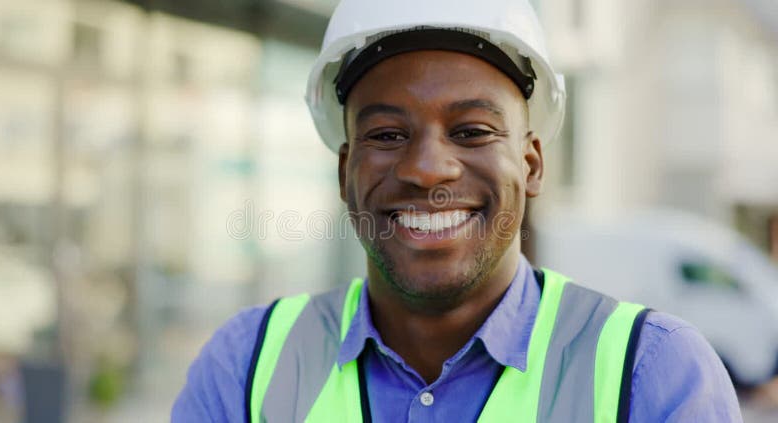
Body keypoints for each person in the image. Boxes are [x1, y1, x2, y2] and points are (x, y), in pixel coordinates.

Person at [172, 0, 743, 421]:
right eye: (388, 134)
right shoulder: (245, 369)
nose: (427, 170)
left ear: (532, 165)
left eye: (471, 131)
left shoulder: (652, 374)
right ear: (345, 173)